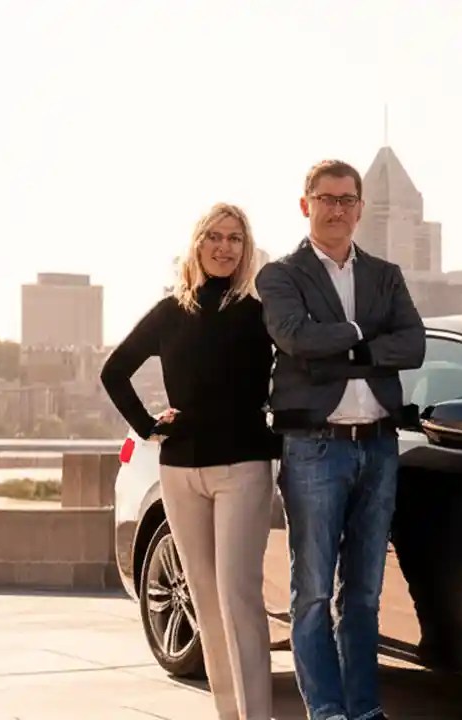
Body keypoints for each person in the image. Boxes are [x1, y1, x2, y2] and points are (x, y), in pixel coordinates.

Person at [257, 159, 425, 720]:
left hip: (379, 447)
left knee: (365, 595)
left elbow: (415, 345)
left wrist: (344, 351)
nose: (337, 209)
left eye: (347, 199)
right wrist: (363, 334)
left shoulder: (386, 274)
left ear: (360, 207)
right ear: (306, 205)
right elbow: (296, 337)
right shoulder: (280, 276)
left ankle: (365, 710)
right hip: (314, 448)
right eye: (326, 199)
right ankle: (326, 711)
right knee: (311, 594)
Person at [100, 202, 280, 720]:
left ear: (246, 249)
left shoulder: (258, 312)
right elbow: (114, 372)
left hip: (244, 467)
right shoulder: (168, 312)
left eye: (236, 239)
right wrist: (148, 426)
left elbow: (293, 373)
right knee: (204, 599)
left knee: (238, 596)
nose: (225, 247)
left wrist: (280, 427)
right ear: (197, 244)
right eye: (215, 237)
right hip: (178, 470)